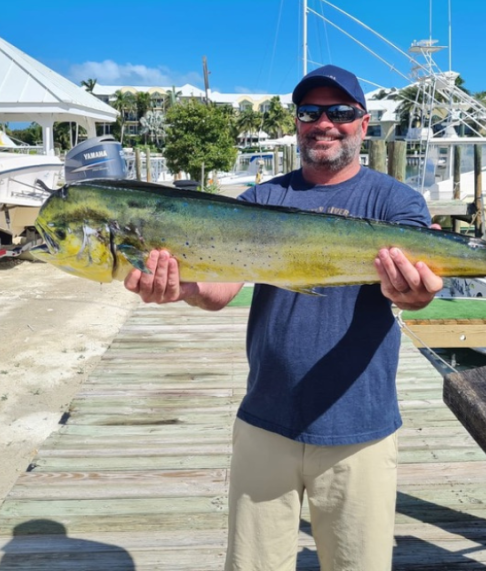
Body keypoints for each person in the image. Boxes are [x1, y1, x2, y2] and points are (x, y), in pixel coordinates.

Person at [124, 64, 443, 570]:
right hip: (266, 422)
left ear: (363, 124)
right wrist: (183, 287)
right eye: (310, 113)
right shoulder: (261, 199)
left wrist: (414, 294)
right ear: (297, 123)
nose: (324, 124)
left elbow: (414, 294)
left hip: (360, 427)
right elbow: (218, 292)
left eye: (340, 112)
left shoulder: (395, 201)